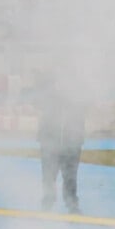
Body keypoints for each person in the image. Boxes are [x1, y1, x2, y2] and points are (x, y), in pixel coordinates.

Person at [34, 67, 85, 215]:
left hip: (72, 140)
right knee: (48, 175)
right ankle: (47, 203)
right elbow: (38, 102)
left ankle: (72, 204)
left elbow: (86, 105)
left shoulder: (79, 94)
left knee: (70, 176)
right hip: (50, 140)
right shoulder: (48, 92)